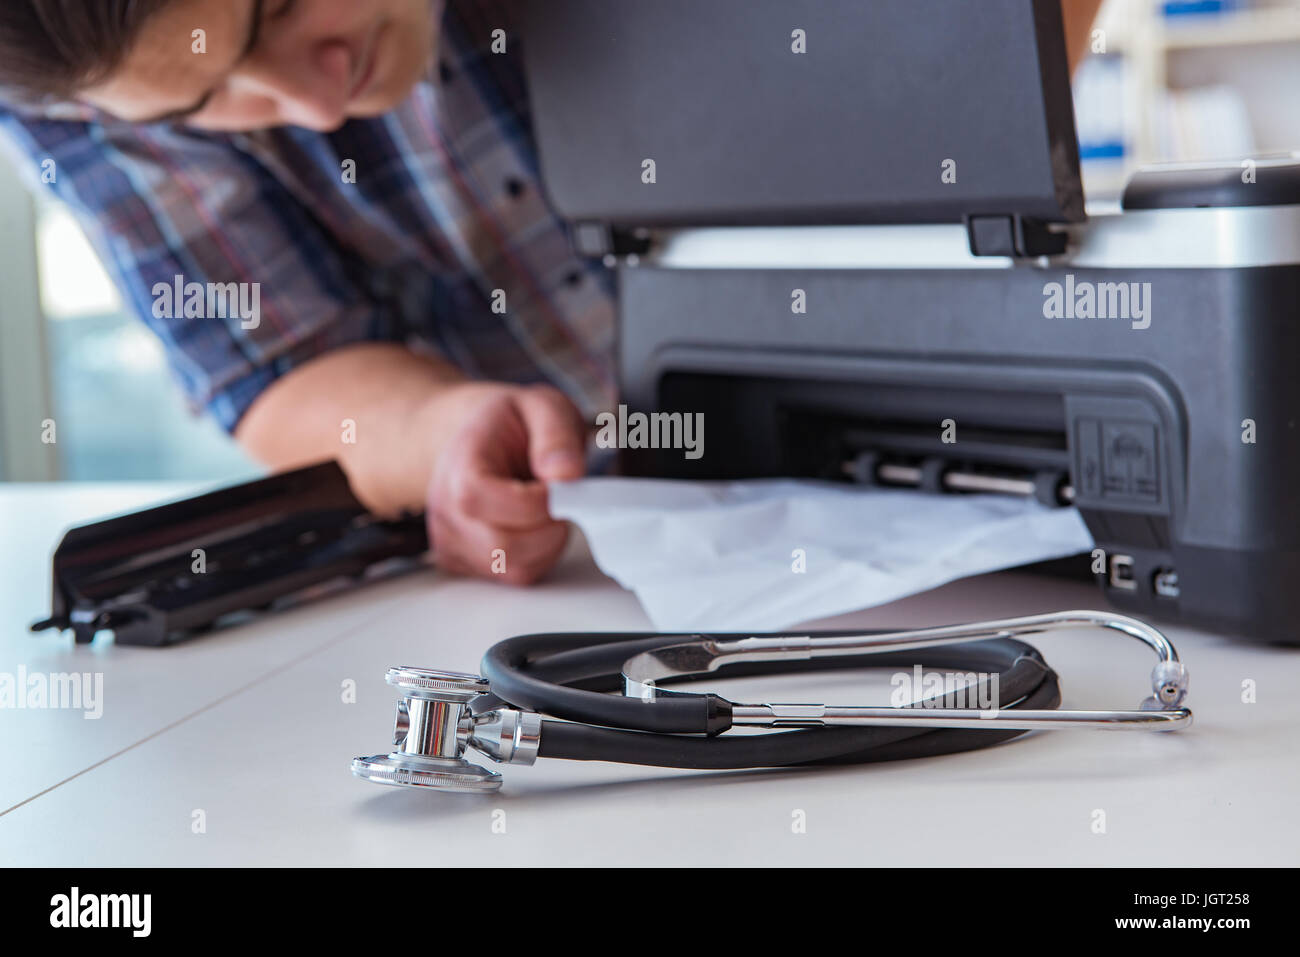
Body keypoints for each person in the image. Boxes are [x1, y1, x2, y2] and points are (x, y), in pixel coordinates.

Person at [0, 0, 1102, 584]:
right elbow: (279, 363)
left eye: (279, 4)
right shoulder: (69, 80)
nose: (308, 98)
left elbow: (995, 43)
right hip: (635, 576)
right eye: (201, 101)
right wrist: (438, 433)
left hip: (982, 514)